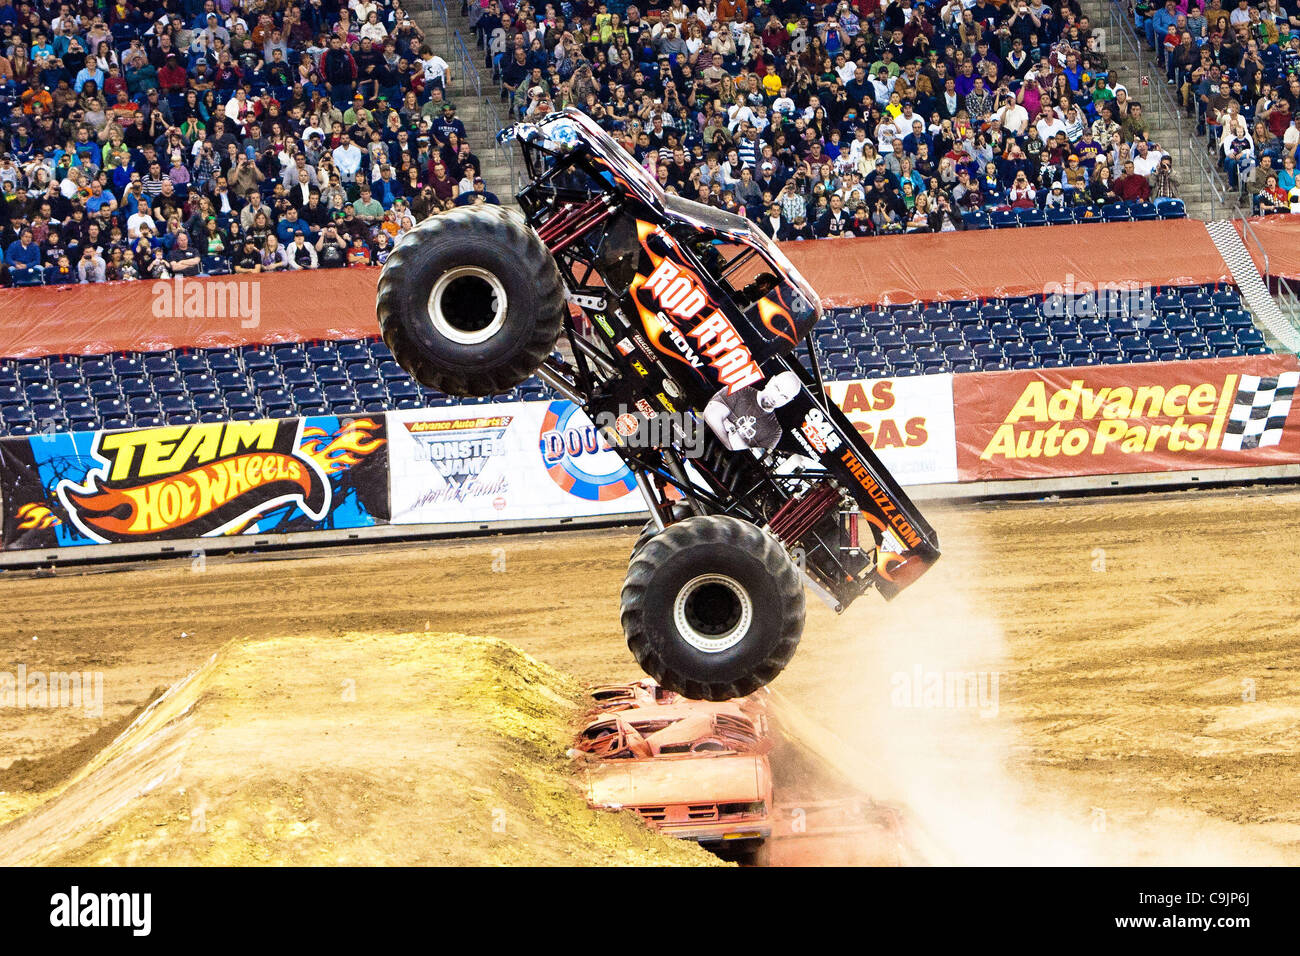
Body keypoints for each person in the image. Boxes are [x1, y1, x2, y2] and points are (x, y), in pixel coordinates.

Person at [702, 371, 801, 451]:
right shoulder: (740, 389)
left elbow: (756, 460)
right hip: (693, 439)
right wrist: (731, 443)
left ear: (788, 401)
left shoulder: (774, 431)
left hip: (721, 471)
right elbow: (710, 415)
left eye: (784, 397)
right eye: (777, 388)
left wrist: (726, 423)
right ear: (771, 381)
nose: (775, 398)